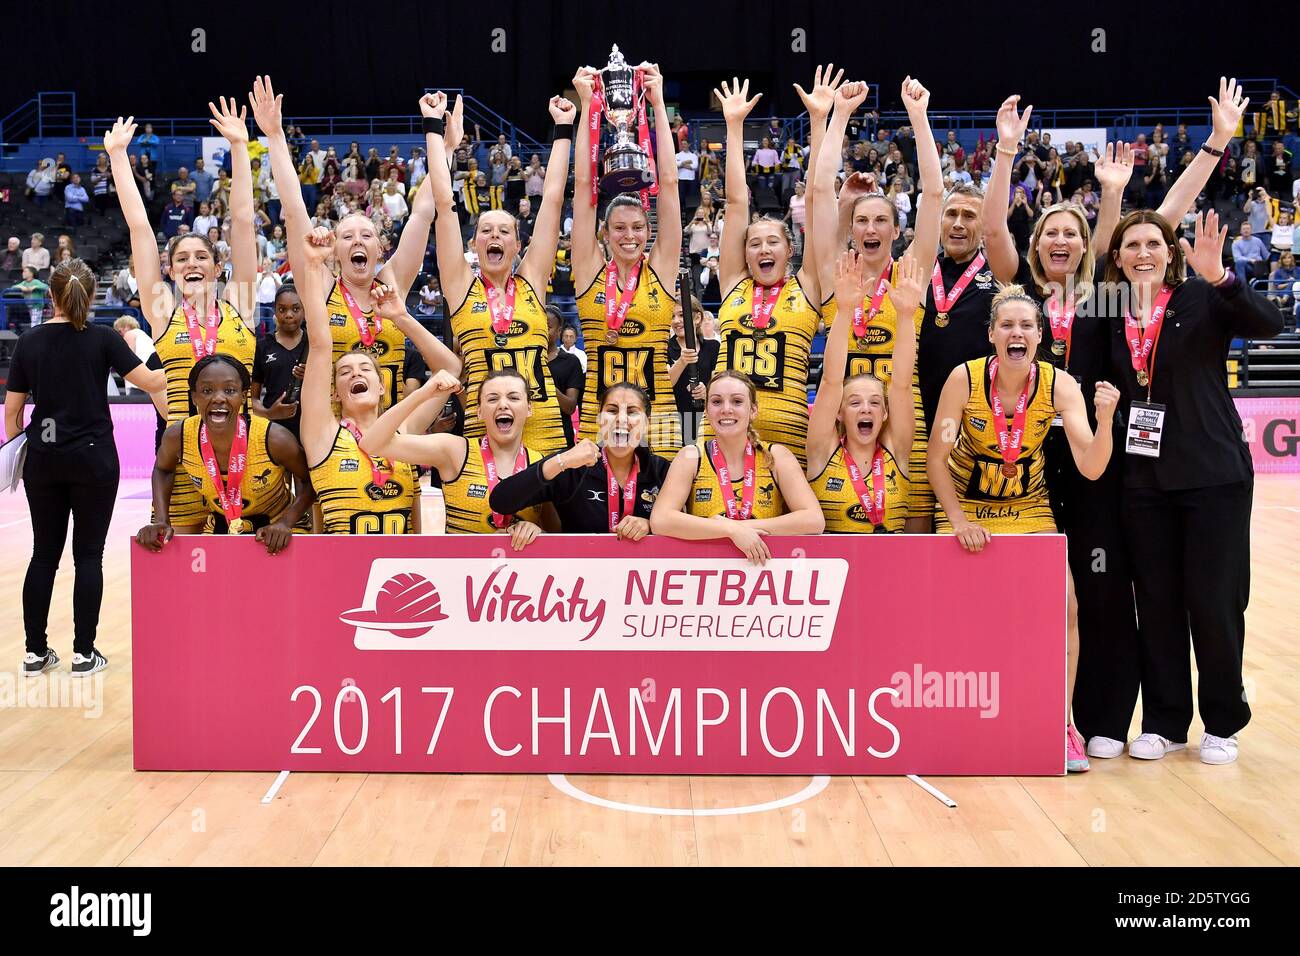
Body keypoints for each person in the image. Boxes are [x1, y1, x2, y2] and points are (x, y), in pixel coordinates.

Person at [1105, 210, 1283, 764]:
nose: (1143, 252)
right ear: (1117, 258)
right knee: (1156, 603)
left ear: (1170, 252)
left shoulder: (1203, 295)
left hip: (1213, 478)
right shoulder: (1108, 311)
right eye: (1131, 244)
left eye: (1153, 243)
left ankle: (1223, 721)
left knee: (1214, 602)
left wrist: (1223, 276)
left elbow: (1269, 324)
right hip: (1143, 481)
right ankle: (1164, 721)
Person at [927, 284, 1121, 772]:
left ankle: (1062, 726)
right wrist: (957, 520)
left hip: (1028, 508)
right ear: (992, 334)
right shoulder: (962, 380)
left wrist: (1104, 422)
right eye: (1007, 325)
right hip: (966, 504)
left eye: (1027, 326)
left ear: (1040, 336)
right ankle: (957, 722)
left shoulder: (1061, 386)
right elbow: (935, 458)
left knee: (1066, 610)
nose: (1017, 333)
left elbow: (1092, 468)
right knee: (959, 618)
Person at [4, 260, 167, 677]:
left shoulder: (29, 341)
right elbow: (152, 383)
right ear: (91, 297)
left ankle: (35, 653)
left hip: (44, 458)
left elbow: (14, 411)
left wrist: (24, 441)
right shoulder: (102, 339)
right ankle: (83, 653)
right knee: (88, 556)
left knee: (43, 555)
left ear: (52, 296)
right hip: (94, 460)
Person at [251, 77, 451, 411]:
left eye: (366, 235)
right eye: (347, 236)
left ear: (381, 248)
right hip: (332, 435)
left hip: (393, 435)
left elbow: (422, 212)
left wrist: (443, 146)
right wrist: (274, 135)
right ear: (335, 250)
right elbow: (294, 209)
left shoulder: (393, 283)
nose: (358, 240)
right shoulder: (320, 284)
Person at [106, 106, 260, 524]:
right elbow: (139, 228)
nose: (193, 263)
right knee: (187, 571)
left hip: (249, 451)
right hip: (184, 456)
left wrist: (239, 147)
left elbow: (243, 222)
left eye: (202, 256)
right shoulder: (161, 311)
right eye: (183, 258)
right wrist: (119, 157)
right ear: (170, 270)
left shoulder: (241, 301)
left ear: (217, 266)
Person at [819, 75, 942, 533]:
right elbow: (817, 194)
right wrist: (839, 116)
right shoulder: (838, 269)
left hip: (902, 411)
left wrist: (918, 117)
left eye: (881, 221)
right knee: (843, 527)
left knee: (912, 534)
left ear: (895, 231)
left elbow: (933, 195)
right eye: (862, 220)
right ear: (852, 230)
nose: (871, 228)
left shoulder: (912, 272)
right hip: (843, 414)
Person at [422, 88, 576, 455]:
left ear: (517, 244)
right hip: (483, 432)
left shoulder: (532, 281)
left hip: (545, 431)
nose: (494, 235)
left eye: (504, 230)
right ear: (474, 245)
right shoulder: (460, 287)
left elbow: (552, 199)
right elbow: (444, 205)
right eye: (485, 231)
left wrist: (563, 130)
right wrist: (431, 127)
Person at [705, 71, 840, 465]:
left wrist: (819, 122)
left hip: (792, 439)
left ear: (790, 248)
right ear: (744, 254)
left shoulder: (808, 285)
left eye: (773, 241)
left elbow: (817, 200)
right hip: (723, 433)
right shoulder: (732, 284)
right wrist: (734, 127)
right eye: (754, 242)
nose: (763, 248)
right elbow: (734, 203)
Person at [572, 63, 682, 459]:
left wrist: (658, 103)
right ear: (604, 233)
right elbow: (584, 185)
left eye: (637, 227)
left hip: (661, 419)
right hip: (596, 417)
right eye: (619, 228)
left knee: (665, 519)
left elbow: (667, 183)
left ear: (648, 230)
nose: (630, 236)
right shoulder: (589, 272)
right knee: (597, 512)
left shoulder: (662, 271)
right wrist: (587, 105)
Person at [295, 233, 431, 534]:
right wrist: (315, 266)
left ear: (382, 384)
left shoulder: (405, 433)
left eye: (365, 369)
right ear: (335, 392)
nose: (356, 374)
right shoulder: (324, 433)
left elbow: (451, 368)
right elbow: (320, 344)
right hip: (341, 576)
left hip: (394, 576)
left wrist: (403, 318)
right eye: (344, 372)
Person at [135, 353, 315, 552]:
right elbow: (162, 470)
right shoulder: (178, 436)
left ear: (243, 395)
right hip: (222, 527)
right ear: (194, 396)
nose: (218, 398)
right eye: (206, 390)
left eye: (230, 390)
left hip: (278, 529)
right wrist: (161, 519)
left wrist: (286, 522)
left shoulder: (274, 438)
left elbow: (309, 480)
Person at [650, 370, 825, 563]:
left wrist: (744, 528)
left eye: (737, 401)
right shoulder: (691, 456)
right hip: (705, 577)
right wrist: (730, 530)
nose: (726, 409)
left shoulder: (776, 456)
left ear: (753, 410)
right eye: (716, 402)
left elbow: (813, 519)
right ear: (706, 411)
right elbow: (661, 520)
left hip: (769, 579)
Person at [807, 252, 923, 533]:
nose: (866, 409)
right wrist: (844, 311)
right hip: (835, 574)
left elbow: (902, 384)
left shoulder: (898, 451)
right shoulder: (822, 452)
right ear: (839, 412)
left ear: (885, 414)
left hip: (891, 573)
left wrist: (907, 317)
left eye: (874, 402)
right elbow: (831, 382)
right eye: (855, 402)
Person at [359, 369, 545, 544]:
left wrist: (539, 532)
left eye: (513, 397)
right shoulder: (455, 451)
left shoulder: (542, 465)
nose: (503, 404)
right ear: (479, 411)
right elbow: (372, 443)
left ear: (529, 408)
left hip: (519, 576)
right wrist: (424, 393)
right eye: (492, 399)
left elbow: (560, 533)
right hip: (460, 575)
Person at [490, 382, 671, 537]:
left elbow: (680, 523)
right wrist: (560, 461)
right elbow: (501, 502)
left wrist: (651, 525)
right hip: (577, 575)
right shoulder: (574, 465)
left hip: (642, 576)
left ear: (647, 422)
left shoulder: (661, 470)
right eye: (612, 410)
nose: (621, 419)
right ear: (599, 420)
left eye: (632, 412)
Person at [251, 284, 307, 438]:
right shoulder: (263, 345)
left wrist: (312, 374)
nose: (289, 315)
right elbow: (253, 399)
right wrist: (269, 413)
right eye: (282, 309)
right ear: (274, 311)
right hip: (273, 431)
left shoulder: (313, 343)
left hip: (309, 429)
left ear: (304, 310)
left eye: (295, 309)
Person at [666, 293, 719, 444]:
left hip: (705, 421)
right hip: (674, 422)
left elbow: (719, 383)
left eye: (682, 315)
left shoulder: (713, 347)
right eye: (672, 316)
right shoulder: (664, 348)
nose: (676, 321)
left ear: (697, 318)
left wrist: (707, 392)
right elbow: (664, 384)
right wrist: (682, 361)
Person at [544, 306, 583, 447]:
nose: (542, 331)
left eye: (547, 326)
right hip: (528, 437)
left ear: (559, 331)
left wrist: (546, 385)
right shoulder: (523, 360)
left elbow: (570, 407)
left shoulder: (571, 362)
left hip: (560, 438)